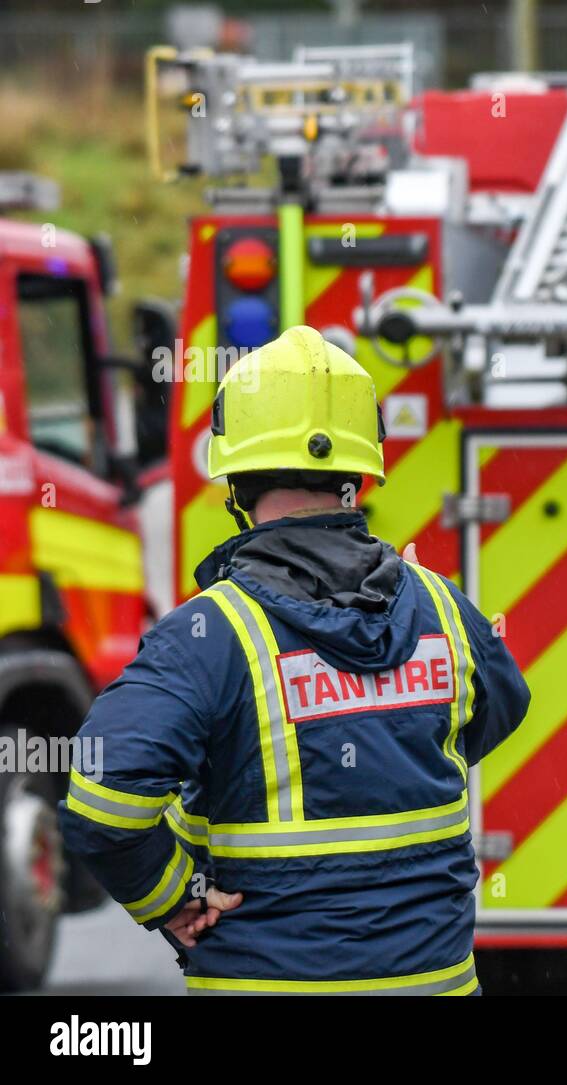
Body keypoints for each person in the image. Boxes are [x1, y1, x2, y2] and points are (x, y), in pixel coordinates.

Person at [59, 325, 529, 995]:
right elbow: (500, 709)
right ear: (359, 471)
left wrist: (173, 897)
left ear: (235, 479)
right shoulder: (443, 606)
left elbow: (103, 801)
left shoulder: (209, 632)